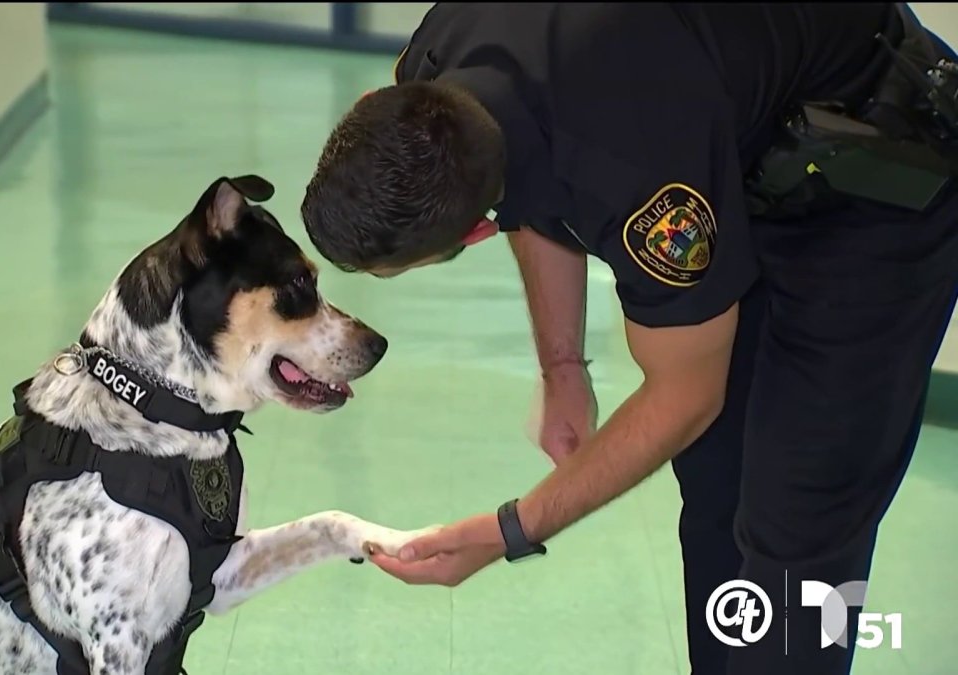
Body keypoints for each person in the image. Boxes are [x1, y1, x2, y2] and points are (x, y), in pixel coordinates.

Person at [298, 4, 958, 674]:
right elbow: (527, 184)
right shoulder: (438, 58)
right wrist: (562, 369)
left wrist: (510, 530)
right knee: (716, 494)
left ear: (474, 233)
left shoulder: (639, 179)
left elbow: (686, 393)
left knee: (798, 526)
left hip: (872, 187)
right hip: (749, 146)